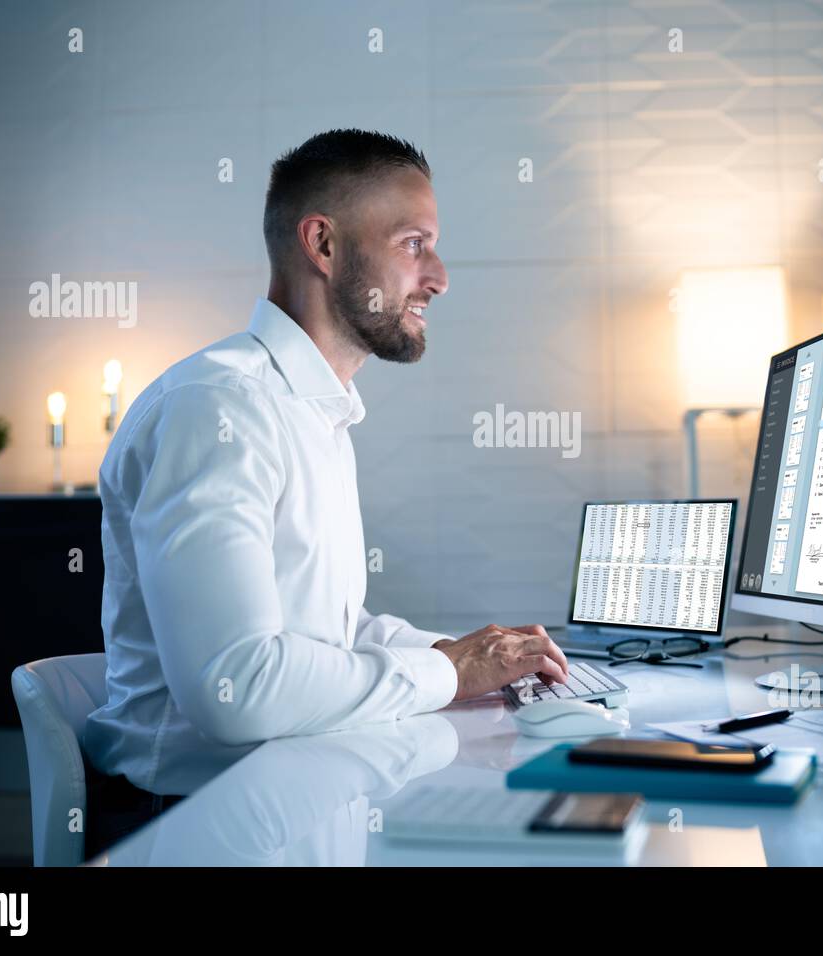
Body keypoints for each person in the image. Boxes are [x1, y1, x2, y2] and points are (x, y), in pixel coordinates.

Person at [82, 129, 569, 855]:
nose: (438, 277)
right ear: (325, 245)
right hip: (194, 827)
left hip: (283, 805)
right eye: (414, 244)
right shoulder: (219, 408)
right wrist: (444, 672)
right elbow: (237, 686)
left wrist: (461, 653)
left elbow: (322, 635)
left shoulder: (308, 410)